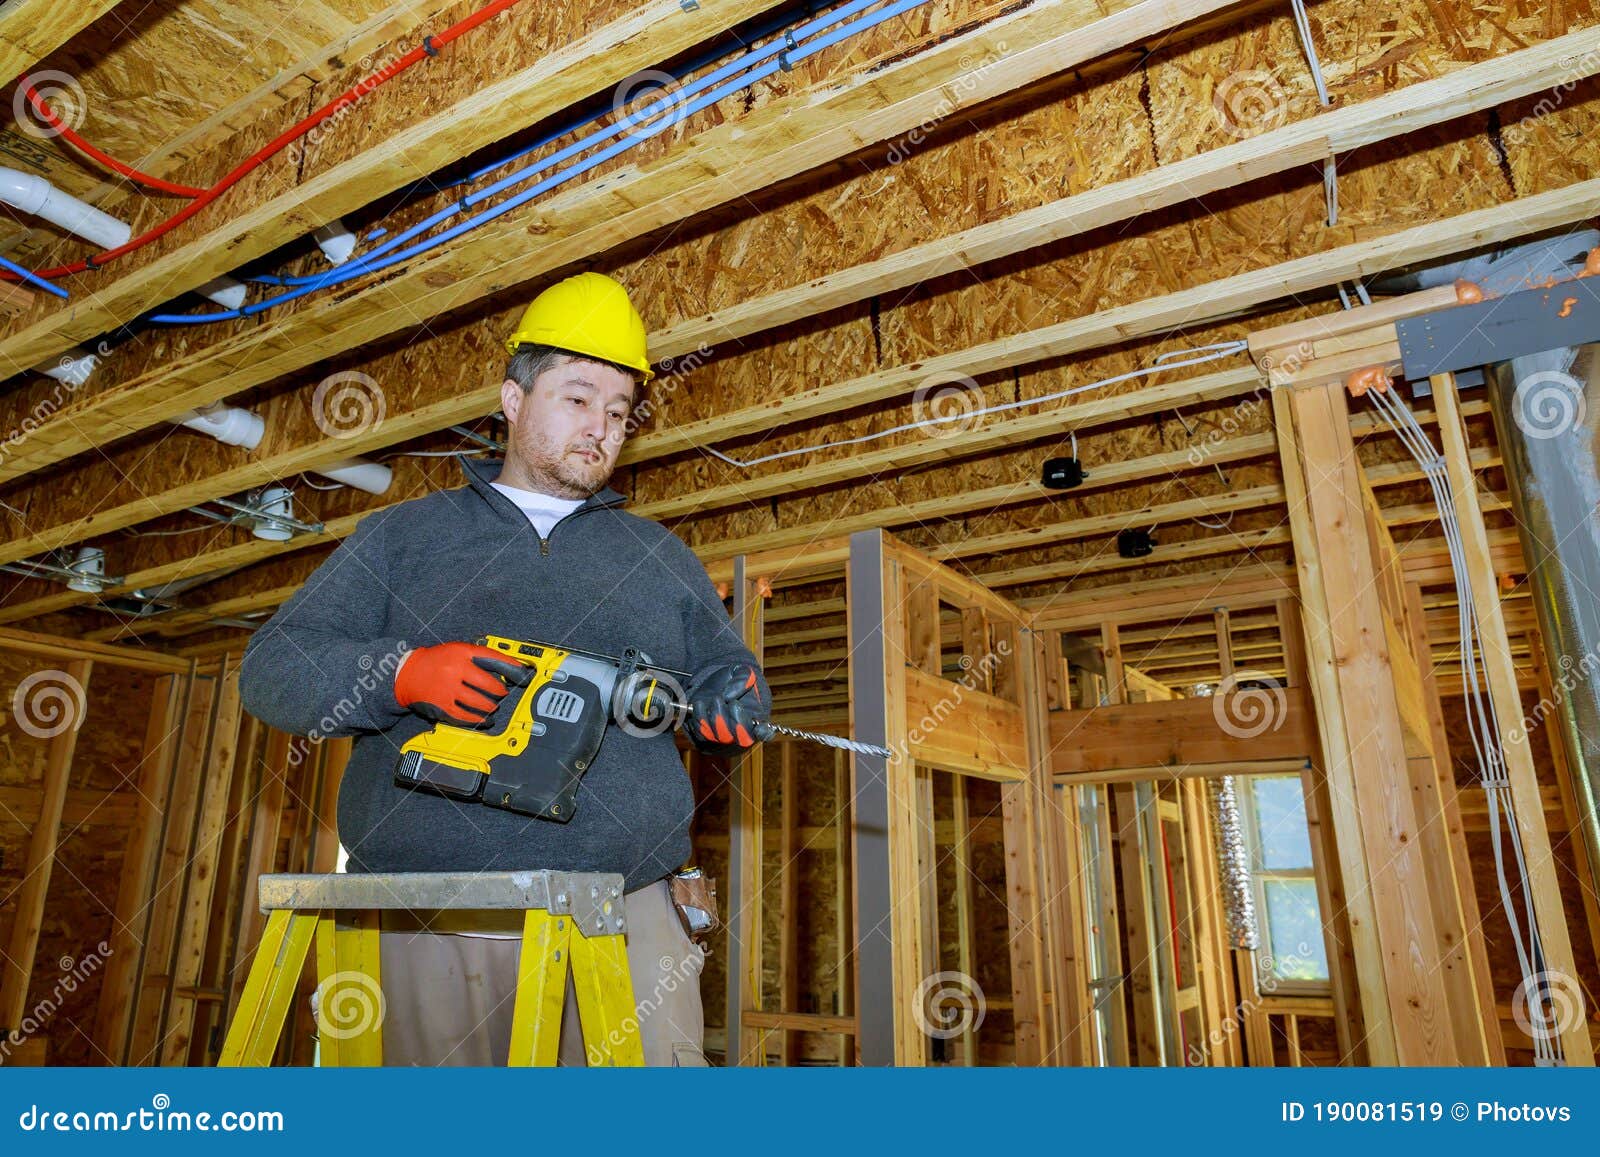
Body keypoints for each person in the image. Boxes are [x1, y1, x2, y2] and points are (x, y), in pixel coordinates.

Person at [239, 272, 770, 1066]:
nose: (602, 428)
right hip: (428, 924)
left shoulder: (663, 559)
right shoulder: (404, 538)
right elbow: (273, 669)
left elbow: (733, 687)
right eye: (579, 397)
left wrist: (736, 701)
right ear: (513, 399)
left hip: (626, 921)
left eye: (620, 412)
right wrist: (403, 674)